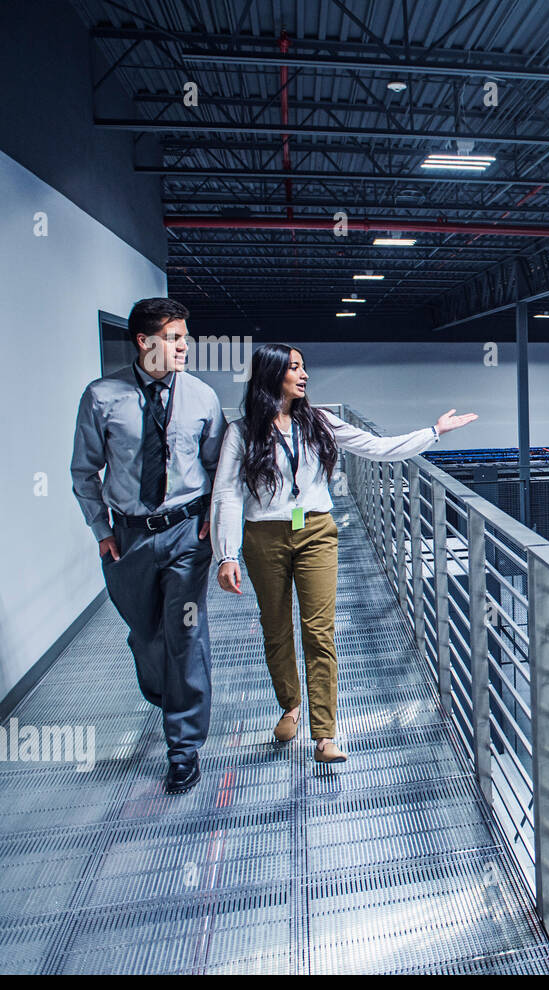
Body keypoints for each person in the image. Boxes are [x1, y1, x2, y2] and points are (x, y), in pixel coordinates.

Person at [211, 343, 477, 763]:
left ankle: (324, 732)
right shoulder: (242, 432)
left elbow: (377, 447)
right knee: (276, 627)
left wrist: (434, 432)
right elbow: (226, 493)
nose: (305, 375)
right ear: (272, 374)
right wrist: (226, 554)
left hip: (316, 531)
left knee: (319, 631)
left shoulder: (319, 423)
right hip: (263, 536)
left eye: (304, 368)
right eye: (295, 368)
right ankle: (290, 706)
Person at [71, 297, 226, 794]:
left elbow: (218, 467)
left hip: (186, 533)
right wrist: (102, 530)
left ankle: (183, 746)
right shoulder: (101, 397)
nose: (185, 346)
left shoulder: (202, 397)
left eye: (185, 336)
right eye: (176, 337)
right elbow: (83, 472)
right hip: (130, 537)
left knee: (185, 634)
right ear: (145, 342)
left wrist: (211, 521)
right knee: (146, 633)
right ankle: (167, 696)